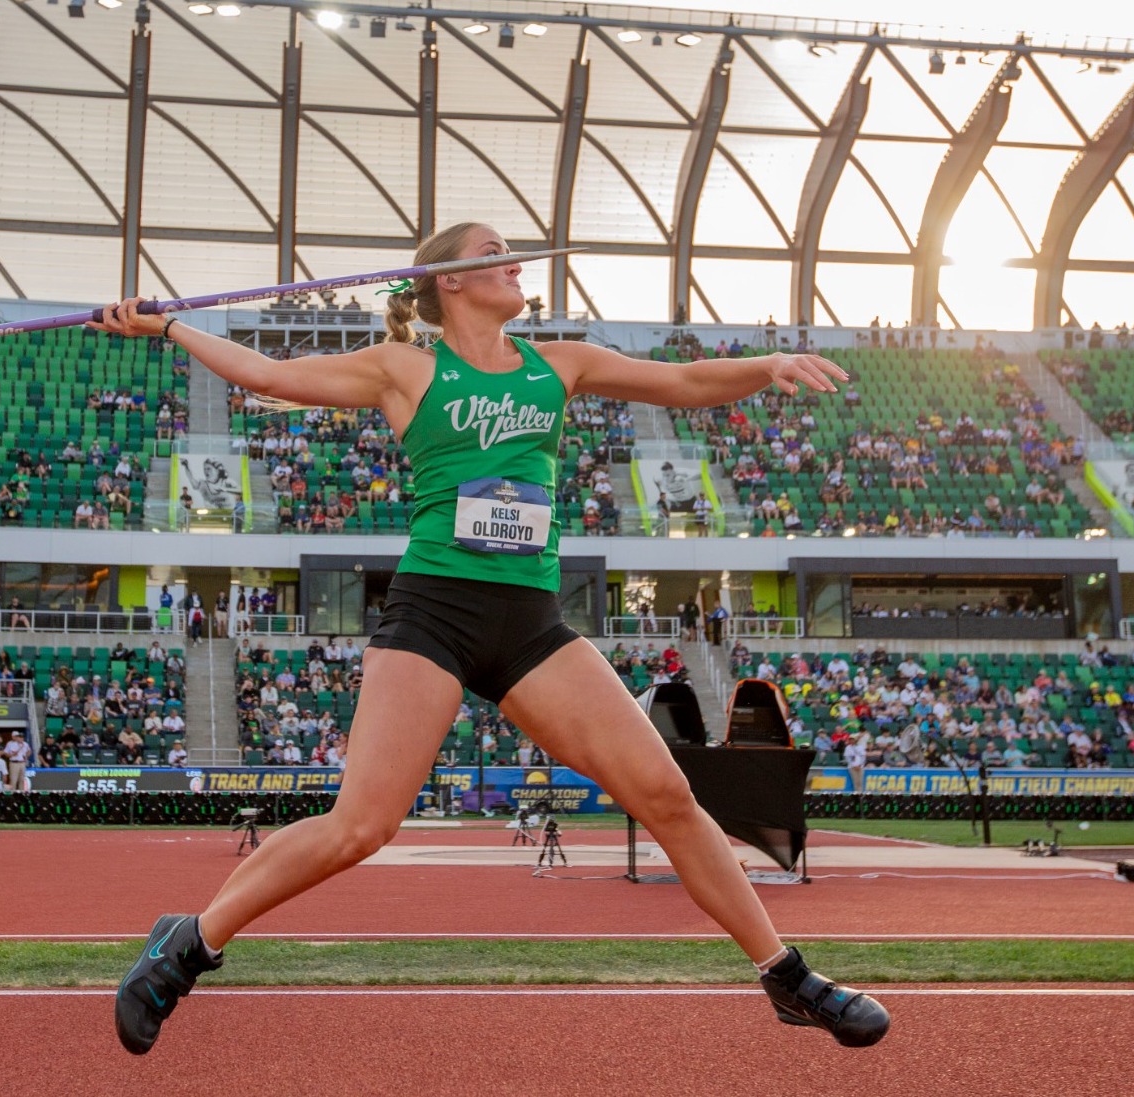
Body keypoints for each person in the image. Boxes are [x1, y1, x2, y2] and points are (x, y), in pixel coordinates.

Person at [88, 221, 883, 1054]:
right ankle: (187, 944)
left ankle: (787, 976)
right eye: (493, 251)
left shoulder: (560, 363)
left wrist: (765, 365)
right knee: (362, 825)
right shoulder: (406, 369)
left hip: (530, 620)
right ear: (451, 280)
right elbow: (267, 374)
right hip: (434, 611)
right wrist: (169, 326)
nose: (516, 261)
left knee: (668, 794)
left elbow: (682, 381)